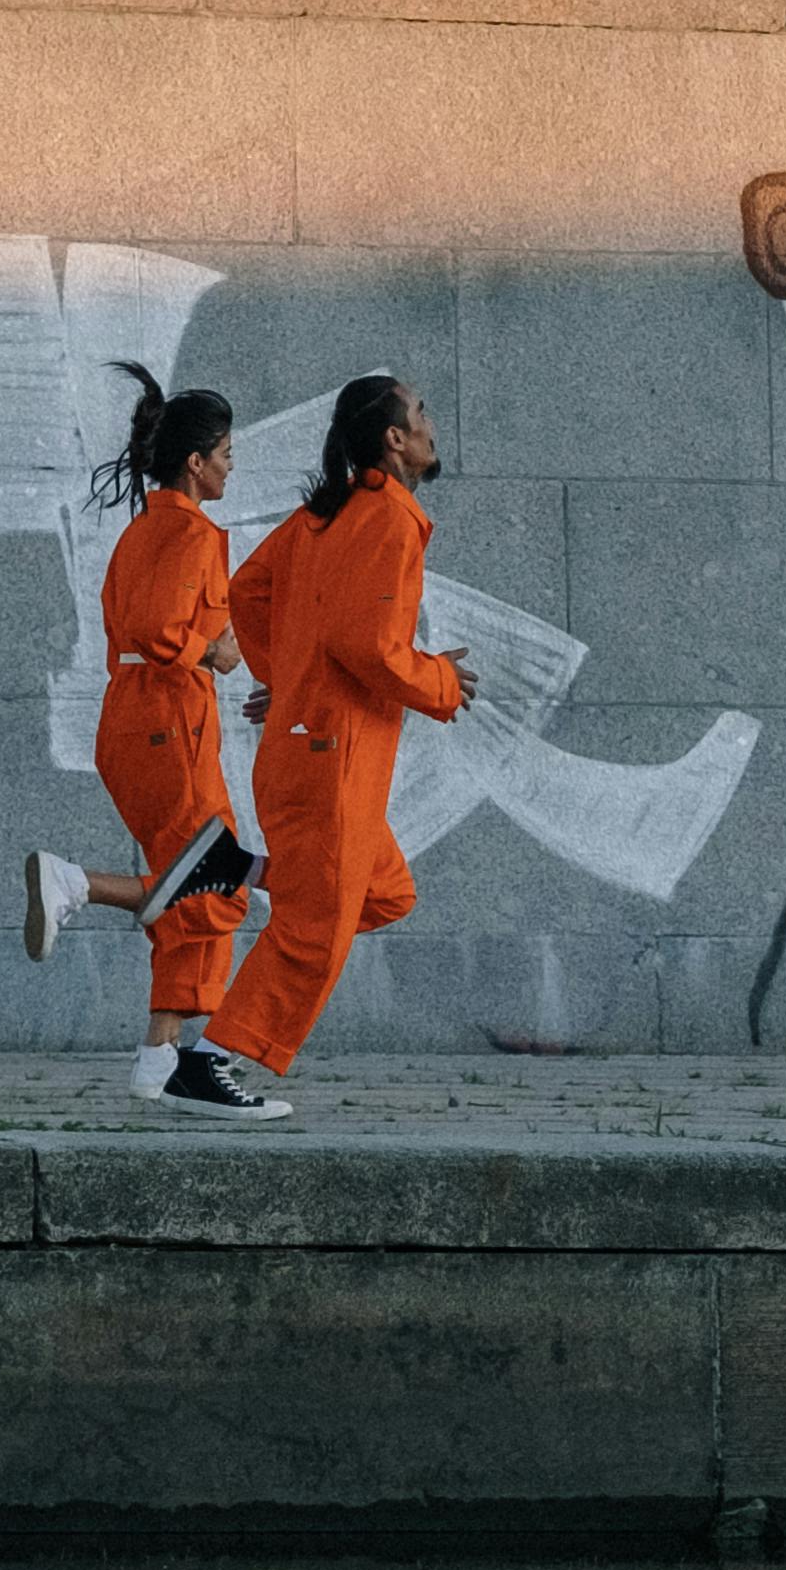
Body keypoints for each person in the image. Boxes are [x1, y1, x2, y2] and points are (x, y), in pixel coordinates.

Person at [196, 376, 475, 1114]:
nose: (428, 423)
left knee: (384, 892)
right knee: (316, 931)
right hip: (333, 758)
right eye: (421, 412)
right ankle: (203, 1063)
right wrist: (441, 682)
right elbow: (370, 647)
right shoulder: (387, 517)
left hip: (309, 750)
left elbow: (248, 592)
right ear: (393, 438)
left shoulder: (324, 514)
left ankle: (230, 865)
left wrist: (287, 678)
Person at [25, 362, 263, 1098]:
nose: (231, 465)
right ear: (195, 463)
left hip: (134, 720)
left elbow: (135, 625)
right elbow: (160, 628)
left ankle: (158, 1058)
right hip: (168, 720)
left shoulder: (140, 535)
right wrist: (216, 650)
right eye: (224, 453)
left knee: (199, 888)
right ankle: (74, 883)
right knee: (217, 885)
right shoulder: (189, 537)